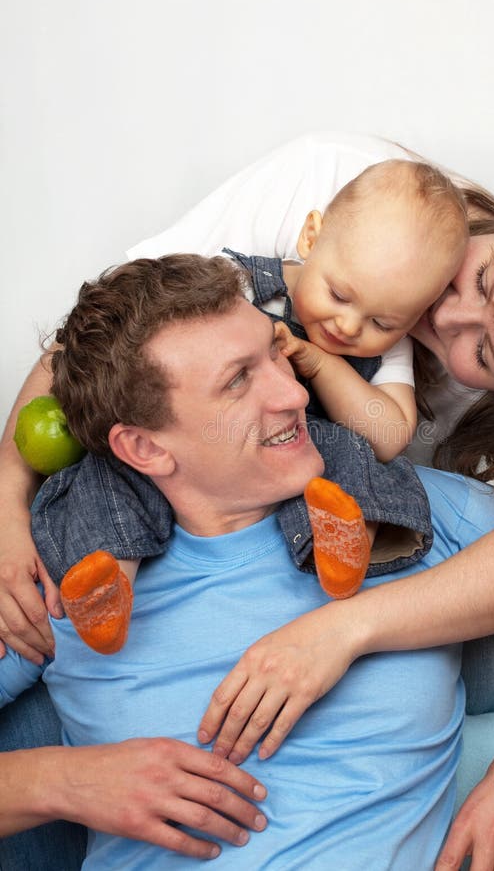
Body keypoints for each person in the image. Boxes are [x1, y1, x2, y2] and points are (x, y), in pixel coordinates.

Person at [1, 132, 494, 869]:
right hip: (107, 597)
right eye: (243, 376)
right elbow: (93, 356)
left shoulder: (415, 512)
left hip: (377, 566)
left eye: (283, 356)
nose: (296, 394)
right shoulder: (73, 559)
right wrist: (60, 783)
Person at [32, 157, 467, 655]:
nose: (349, 327)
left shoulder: (384, 350)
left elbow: (388, 436)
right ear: (310, 237)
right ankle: (111, 579)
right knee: (107, 476)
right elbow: (131, 345)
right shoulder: (235, 283)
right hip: (204, 454)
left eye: (384, 323)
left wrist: (321, 363)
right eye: (339, 294)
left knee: (351, 458)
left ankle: (347, 545)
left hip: (305, 451)